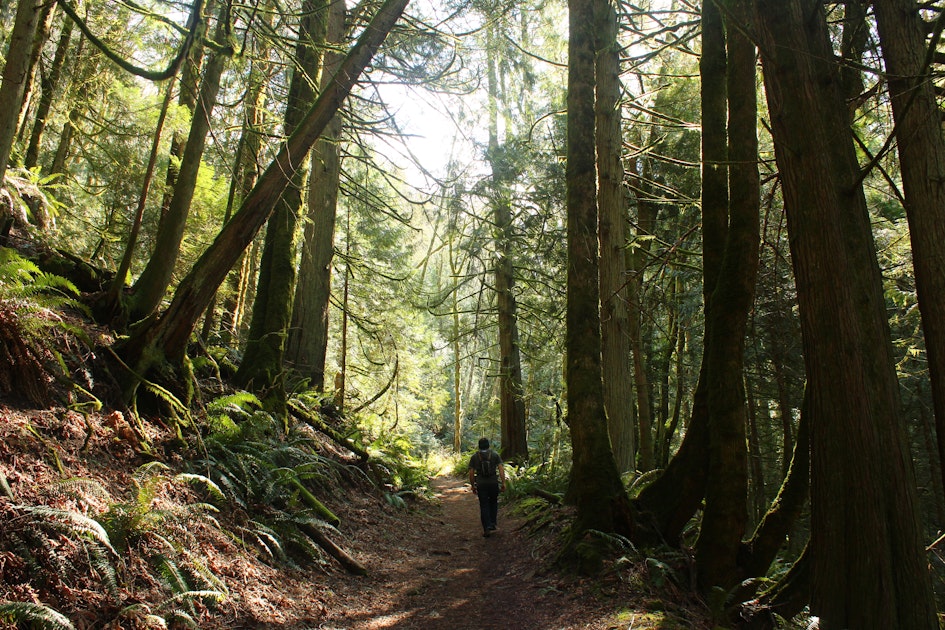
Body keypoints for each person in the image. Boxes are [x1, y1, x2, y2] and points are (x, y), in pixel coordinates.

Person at [468, 437, 506, 537]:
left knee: (484, 504)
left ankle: (486, 528)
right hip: (493, 483)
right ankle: (493, 523)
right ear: (488, 445)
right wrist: (503, 483)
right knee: (493, 502)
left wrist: (473, 485)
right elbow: (501, 469)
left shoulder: (474, 457)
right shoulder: (495, 455)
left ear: (479, 446)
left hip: (481, 484)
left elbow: (471, 472)